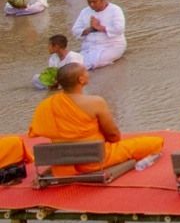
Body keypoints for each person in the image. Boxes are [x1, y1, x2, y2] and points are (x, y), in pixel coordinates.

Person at [28, 65, 162, 175]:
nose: (88, 74)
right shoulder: (95, 102)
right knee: (156, 142)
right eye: (85, 71)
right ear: (81, 80)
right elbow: (113, 135)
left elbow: (38, 132)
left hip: (63, 162)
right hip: (95, 159)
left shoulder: (46, 105)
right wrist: (113, 146)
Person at [70, 0, 126, 67]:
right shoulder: (85, 11)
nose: (92, 5)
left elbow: (119, 29)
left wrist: (99, 27)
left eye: (94, 2)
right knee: (75, 62)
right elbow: (75, 30)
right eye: (89, 2)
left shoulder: (115, 10)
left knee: (94, 62)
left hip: (112, 45)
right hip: (90, 46)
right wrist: (90, 29)